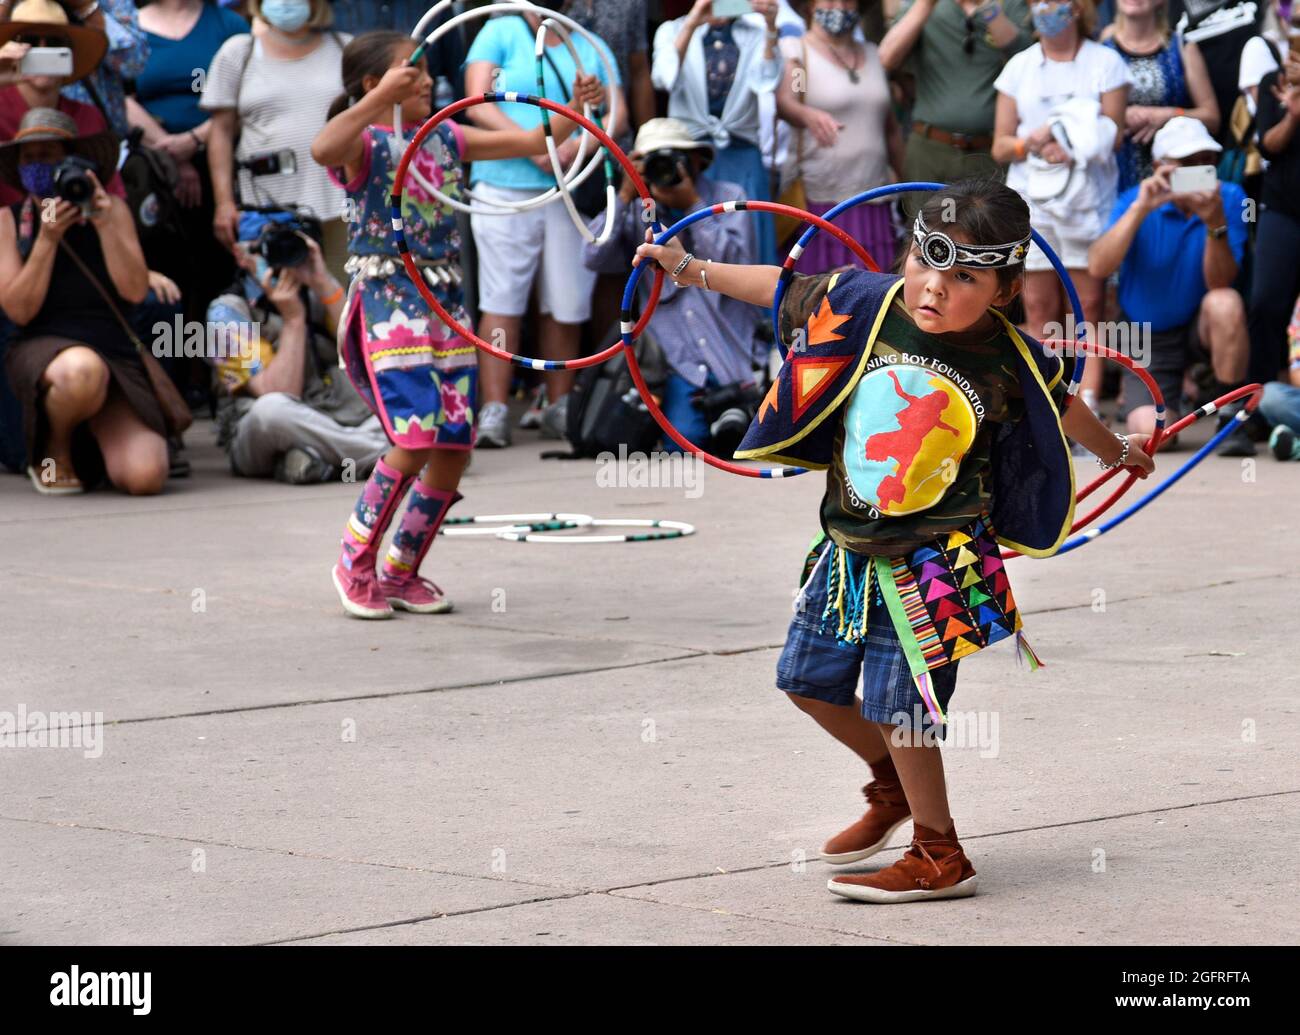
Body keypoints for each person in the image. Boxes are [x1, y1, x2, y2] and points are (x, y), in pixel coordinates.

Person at [632, 177, 1155, 903]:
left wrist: (1121, 451)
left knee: (899, 705)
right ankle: (893, 785)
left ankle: (940, 853)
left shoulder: (1010, 357)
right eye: (925, 259)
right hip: (848, 548)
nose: (934, 286)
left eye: (964, 276)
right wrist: (687, 268)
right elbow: (780, 288)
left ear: (1004, 290)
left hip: (939, 560)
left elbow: (1065, 409)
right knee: (806, 682)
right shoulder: (863, 300)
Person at [312, 30, 603, 618]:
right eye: (410, 72)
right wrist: (373, 102)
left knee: (451, 444)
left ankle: (401, 570)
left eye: (423, 70)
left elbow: (533, 140)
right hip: (391, 302)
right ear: (375, 85)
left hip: (446, 307)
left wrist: (580, 108)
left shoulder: (444, 135)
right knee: (413, 437)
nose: (425, 79)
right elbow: (322, 148)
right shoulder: (364, 142)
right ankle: (353, 561)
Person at [462, 8, 625, 448]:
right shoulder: (499, 32)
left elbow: (616, 115)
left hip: (567, 191)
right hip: (502, 186)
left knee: (567, 297)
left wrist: (571, 148)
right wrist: (532, 144)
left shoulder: (588, 45)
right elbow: (476, 102)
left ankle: (559, 405)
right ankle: (494, 408)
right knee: (502, 296)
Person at [0, 107, 167, 495]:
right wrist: (46, 241)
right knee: (82, 372)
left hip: (112, 347)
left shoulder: (111, 209)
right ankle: (55, 448)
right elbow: (19, 310)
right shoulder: (9, 220)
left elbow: (134, 292)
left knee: (145, 476)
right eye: (30, 158)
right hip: (42, 347)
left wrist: (105, 224)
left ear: (73, 163)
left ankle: (93, 441)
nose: (40, 166)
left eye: (50, 156)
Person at [582, 117, 761, 454]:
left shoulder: (729, 197)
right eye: (655, 161)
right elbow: (593, 255)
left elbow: (737, 261)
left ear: (695, 160)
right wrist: (624, 193)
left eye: (675, 157)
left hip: (733, 354)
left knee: (748, 445)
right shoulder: (637, 210)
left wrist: (693, 205)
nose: (666, 168)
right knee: (686, 446)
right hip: (679, 363)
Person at [992, 0, 1130, 420]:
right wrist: (1031, 143)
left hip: (1088, 201)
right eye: (1038, 2)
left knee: (1088, 305)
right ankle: (1047, 403)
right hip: (1034, 202)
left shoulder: (1105, 62)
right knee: (1038, 307)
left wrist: (1069, 143)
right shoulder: (1019, 66)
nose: (1046, 8)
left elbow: (1115, 134)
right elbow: (1000, 144)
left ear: (1077, 9)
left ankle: (1086, 402)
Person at [1088, 116, 1253, 454]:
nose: (1200, 169)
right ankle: (1149, 395)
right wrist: (1140, 209)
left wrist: (1215, 224)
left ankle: (1231, 416)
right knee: (1155, 438)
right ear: (1160, 167)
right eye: (1187, 163)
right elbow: (1098, 266)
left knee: (1226, 302)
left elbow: (1220, 281)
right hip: (1145, 335)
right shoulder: (1136, 198)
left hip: (1199, 326)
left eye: (1207, 161)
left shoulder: (1229, 197)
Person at [206, 225, 389, 483]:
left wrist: (322, 280)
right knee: (270, 411)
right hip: (260, 430)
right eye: (269, 246)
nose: (280, 255)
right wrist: (294, 320)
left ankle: (314, 458)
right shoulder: (225, 312)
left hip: (330, 413)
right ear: (241, 253)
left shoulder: (316, 287)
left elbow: (368, 359)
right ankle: (385, 457)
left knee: (395, 397)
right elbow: (279, 391)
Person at [200, 0, 351, 281]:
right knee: (279, 305)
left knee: (343, 307)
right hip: (267, 210)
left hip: (342, 207)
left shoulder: (346, 49)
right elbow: (220, 132)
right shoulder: (238, 52)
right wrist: (223, 203)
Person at [128, 0, 249, 333]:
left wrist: (193, 141)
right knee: (165, 269)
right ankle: (173, 371)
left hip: (222, 165)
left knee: (218, 265)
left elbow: (248, 97)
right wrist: (168, 150)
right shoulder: (128, 29)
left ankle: (220, 368)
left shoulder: (230, 26)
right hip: (150, 171)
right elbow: (119, 96)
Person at [776, 0, 905, 272]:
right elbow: (787, 102)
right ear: (810, 5)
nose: (839, 6)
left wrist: (907, 183)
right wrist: (808, 114)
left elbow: (890, 126)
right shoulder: (798, 53)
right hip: (823, 199)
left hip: (875, 198)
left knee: (875, 292)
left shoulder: (873, 54)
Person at [653, 0, 784, 266]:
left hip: (742, 155)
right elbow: (663, 77)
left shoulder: (755, 31)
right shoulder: (670, 30)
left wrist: (771, 27)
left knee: (751, 249)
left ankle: (752, 308)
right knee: (692, 241)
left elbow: (766, 81)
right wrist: (692, 21)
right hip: (692, 159)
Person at [880, 0, 1035, 218]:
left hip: (986, 153)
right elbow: (886, 59)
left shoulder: (1007, 4)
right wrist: (926, 5)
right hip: (930, 150)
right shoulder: (922, 5)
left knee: (987, 240)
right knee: (926, 241)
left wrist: (988, 10)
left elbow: (1029, 59)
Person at [0, 0, 125, 207]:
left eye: (54, 43)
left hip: (75, 229)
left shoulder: (88, 115)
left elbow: (113, 200)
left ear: (70, 54)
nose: (42, 50)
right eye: (29, 42)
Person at [1103, 0, 1219, 192]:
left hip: (1177, 181)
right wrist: (1120, 115)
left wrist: (1167, 115)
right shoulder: (1103, 49)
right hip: (1114, 180)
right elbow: (1083, 114)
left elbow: (1212, 118)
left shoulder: (1182, 47)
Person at [1246, 44, 1300, 390]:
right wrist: (1294, 113)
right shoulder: (1273, 81)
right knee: (1265, 301)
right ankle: (1260, 404)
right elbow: (1267, 146)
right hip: (1283, 209)